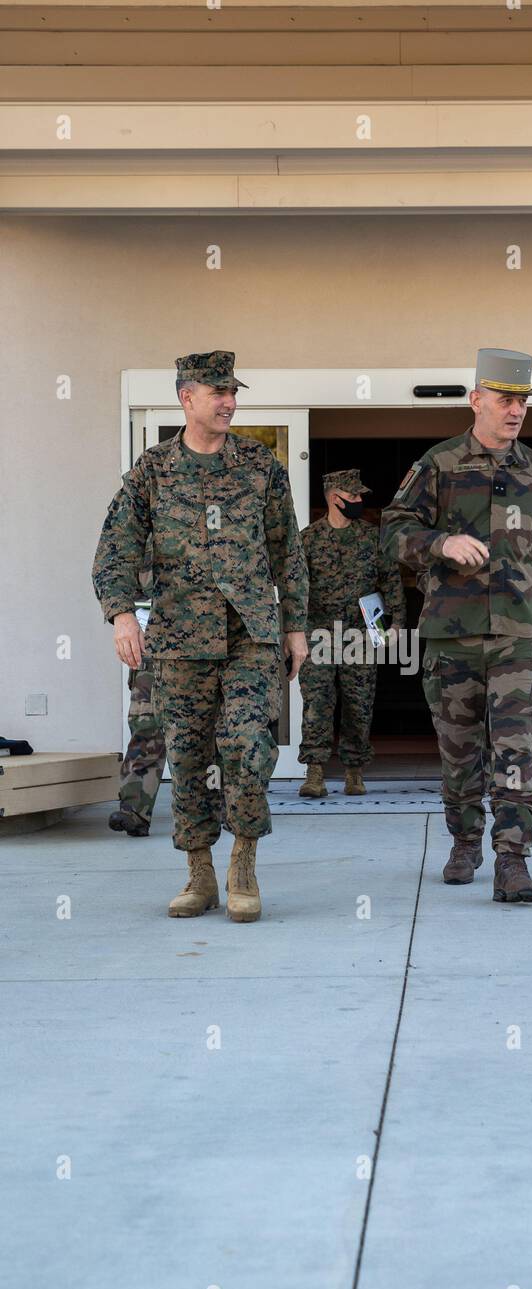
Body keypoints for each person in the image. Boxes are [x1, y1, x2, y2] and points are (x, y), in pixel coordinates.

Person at [92, 350, 308, 921]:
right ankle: (199, 875)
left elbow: (289, 553)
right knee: (188, 759)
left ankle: (243, 865)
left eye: (233, 392)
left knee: (247, 746)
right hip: (181, 640)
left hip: (251, 637)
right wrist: (121, 614)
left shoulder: (260, 466)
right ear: (187, 399)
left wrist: (296, 627)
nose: (230, 402)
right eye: (218, 393)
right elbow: (115, 547)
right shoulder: (153, 470)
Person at [380, 348, 532, 904]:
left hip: (519, 636)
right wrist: (440, 543)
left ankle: (513, 860)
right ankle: (464, 842)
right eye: (505, 399)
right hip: (451, 636)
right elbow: (392, 532)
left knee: (515, 748)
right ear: (476, 401)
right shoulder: (438, 464)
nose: (515, 411)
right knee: (459, 749)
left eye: (522, 401)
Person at [297, 469, 406, 797]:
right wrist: (292, 632)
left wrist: (397, 623)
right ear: (335, 498)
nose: (360, 501)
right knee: (317, 704)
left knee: (358, 705)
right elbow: (295, 589)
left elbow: (390, 580)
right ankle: (314, 772)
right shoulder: (308, 539)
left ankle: (354, 771)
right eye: (354, 496)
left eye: (360, 496)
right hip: (318, 635)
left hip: (360, 637)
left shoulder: (372, 537)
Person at [109, 539, 167, 837]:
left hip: (205, 647)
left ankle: (224, 807)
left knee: (211, 731)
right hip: (152, 647)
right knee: (146, 726)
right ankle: (134, 810)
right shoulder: (136, 527)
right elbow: (114, 572)